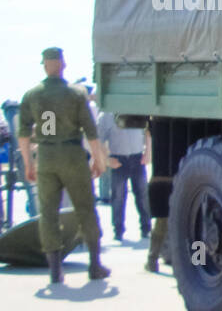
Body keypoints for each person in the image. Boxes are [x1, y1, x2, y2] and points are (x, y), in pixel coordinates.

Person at [17, 48, 111, 283]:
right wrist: (99, 160)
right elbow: (91, 132)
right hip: (72, 154)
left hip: (46, 156)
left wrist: (29, 162)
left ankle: (55, 270)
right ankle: (95, 264)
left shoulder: (32, 95)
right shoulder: (76, 94)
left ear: (45, 65)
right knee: (85, 208)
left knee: (48, 213)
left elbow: (24, 133)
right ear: (63, 64)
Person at [98, 108, 151, 242]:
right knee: (118, 197)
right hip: (118, 159)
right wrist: (107, 160)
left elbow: (148, 131)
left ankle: (146, 228)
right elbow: (97, 140)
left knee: (143, 195)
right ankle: (118, 230)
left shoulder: (136, 108)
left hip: (137, 158)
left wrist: (148, 152)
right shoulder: (106, 116)